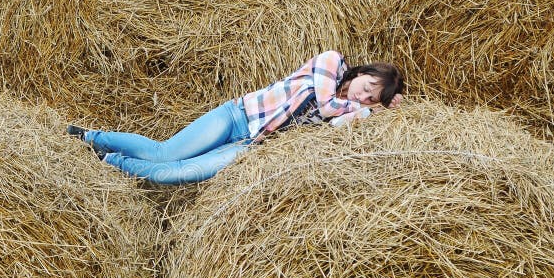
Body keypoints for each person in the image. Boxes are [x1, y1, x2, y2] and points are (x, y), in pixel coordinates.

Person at [67, 50, 404, 185]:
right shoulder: (331, 62)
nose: (363, 96)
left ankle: (108, 159)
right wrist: (369, 108)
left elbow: (341, 122)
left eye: (371, 97)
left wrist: (378, 111)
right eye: (368, 87)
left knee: (176, 174)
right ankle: (90, 137)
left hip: (252, 146)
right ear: (363, 72)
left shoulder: (352, 115)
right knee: (164, 153)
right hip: (239, 116)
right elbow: (328, 105)